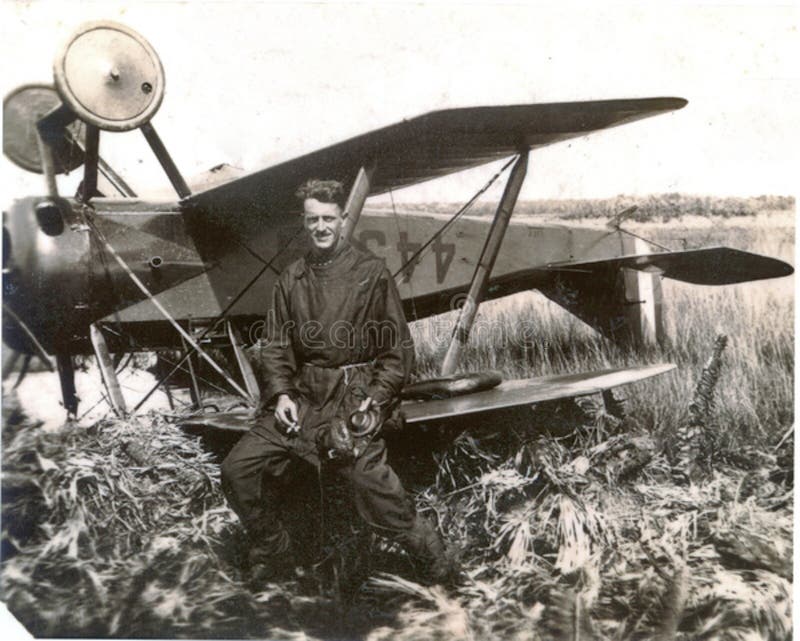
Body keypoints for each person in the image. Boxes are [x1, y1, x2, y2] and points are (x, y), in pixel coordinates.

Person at [221, 179, 450, 584]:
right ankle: (275, 551)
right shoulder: (290, 280)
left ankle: (435, 561)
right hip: (304, 400)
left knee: (372, 487)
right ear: (304, 223)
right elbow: (275, 347)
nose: (321, 227)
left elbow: (398, 353)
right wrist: (281, 395)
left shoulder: (371, 274)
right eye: (313, 220)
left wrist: (373, 402)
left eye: (329, 218)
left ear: (344, 220)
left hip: (352, 396)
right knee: (239, 469)